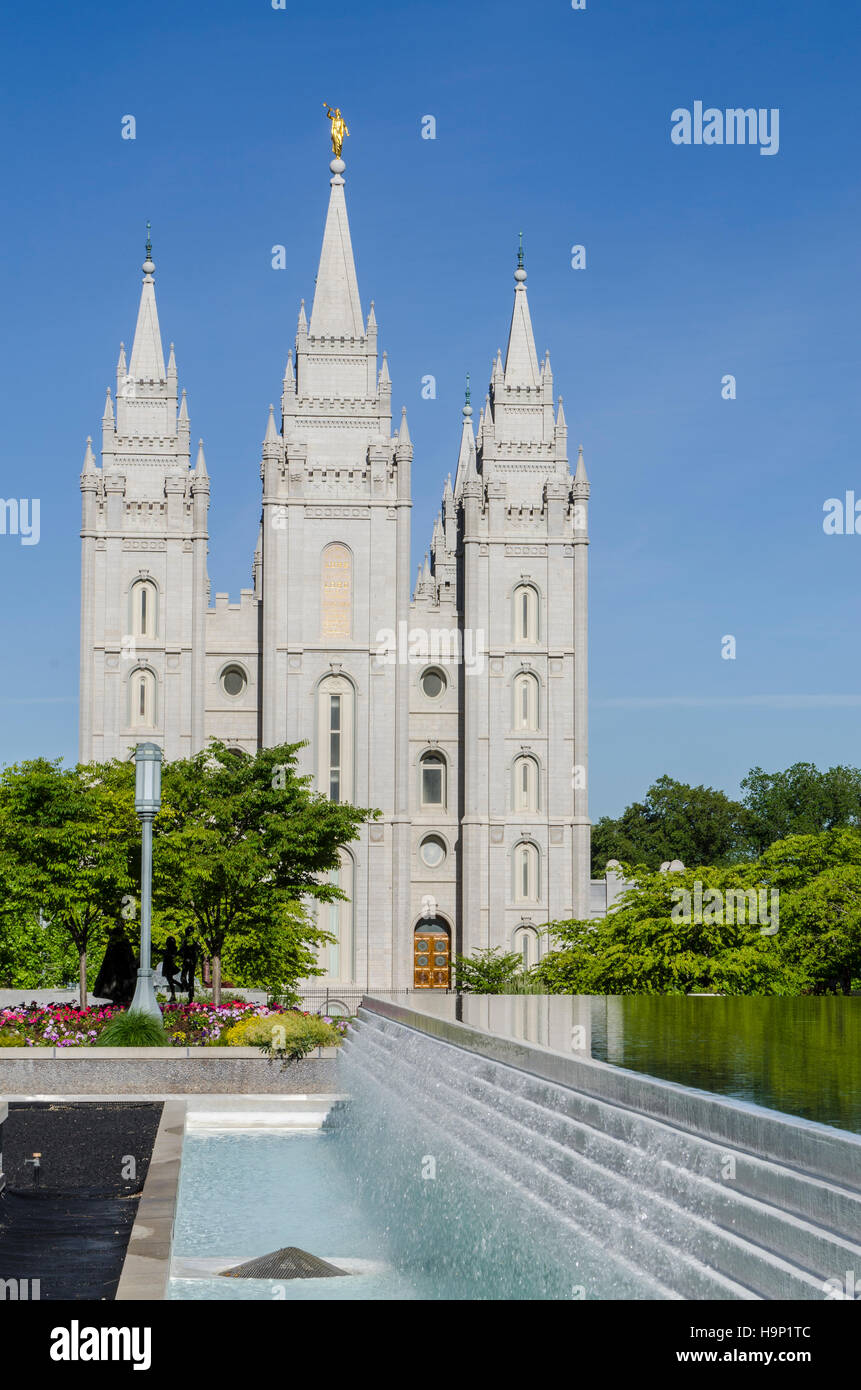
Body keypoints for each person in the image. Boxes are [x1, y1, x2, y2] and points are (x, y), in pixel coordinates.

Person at [94, 925, 137, 1005]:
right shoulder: (116, 942)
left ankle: (120, 999)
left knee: (121, 986)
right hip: (116, 971)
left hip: (122, 971)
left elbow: (129, 957)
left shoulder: (121, 942)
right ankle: (118, 1000)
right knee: (117, 986)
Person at [161, 936, 181, 1004]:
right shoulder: (170, 950)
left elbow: (169, 954)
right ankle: (173, 995)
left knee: (169, 980)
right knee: (170, 980)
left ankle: (175, 991)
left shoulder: (172, 950)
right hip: (168, 966)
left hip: (169, 966)